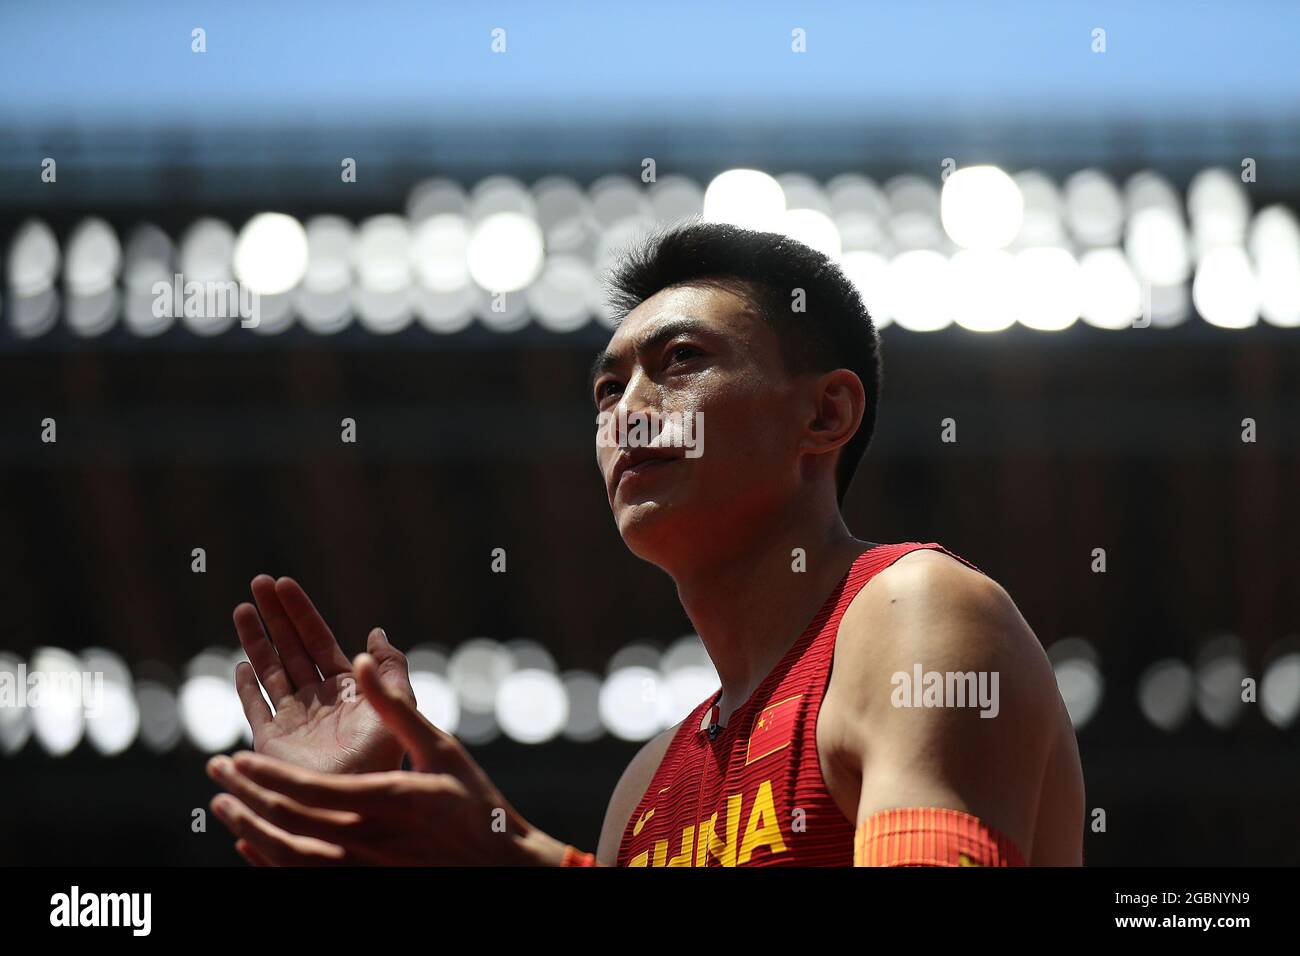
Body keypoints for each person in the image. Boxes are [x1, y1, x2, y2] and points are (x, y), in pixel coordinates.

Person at [206, 222, 1085, 866]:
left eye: (682, 361)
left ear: (825, 414)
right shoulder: (645, 789)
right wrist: (355, 834)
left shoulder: (920, 613)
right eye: (605, 390)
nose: (627, 410)